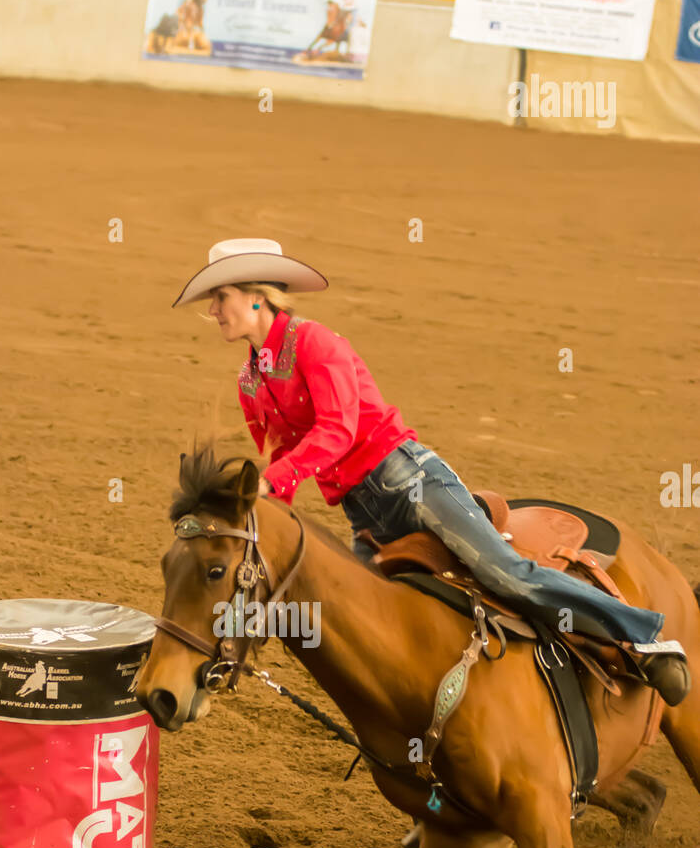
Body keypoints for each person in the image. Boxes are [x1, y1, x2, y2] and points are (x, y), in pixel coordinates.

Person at [171, 238, 690, 706]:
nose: (214, 310)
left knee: (507, 574)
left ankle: (644, 634)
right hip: (364, 510)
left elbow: (338, 430)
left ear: (257, 296)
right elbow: (286, 458)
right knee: (368, 624)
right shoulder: (250, 379)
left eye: (221, 297)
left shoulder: (316, 343)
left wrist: (270, 482)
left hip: (410, 481)